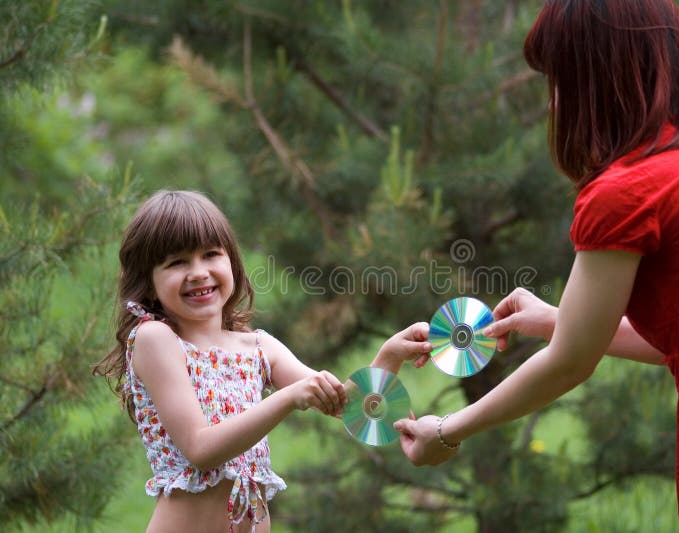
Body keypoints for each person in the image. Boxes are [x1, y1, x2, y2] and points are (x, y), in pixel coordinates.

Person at [392, 1, 679, 531]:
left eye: (558, 79)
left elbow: (568, 364)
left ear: (593, 77)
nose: (554, 102)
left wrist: (446, 430)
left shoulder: (627, 190)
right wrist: (563, 321)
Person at [93, 190, 431, 533]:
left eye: (211, 254)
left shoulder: (257, 347)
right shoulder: (157, 339)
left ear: (232, 263)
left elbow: (347, 404)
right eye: (177, 262)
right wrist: (288, 398)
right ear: (149, 284)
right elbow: (200, 448)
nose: (198, 272)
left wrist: (389, 355)